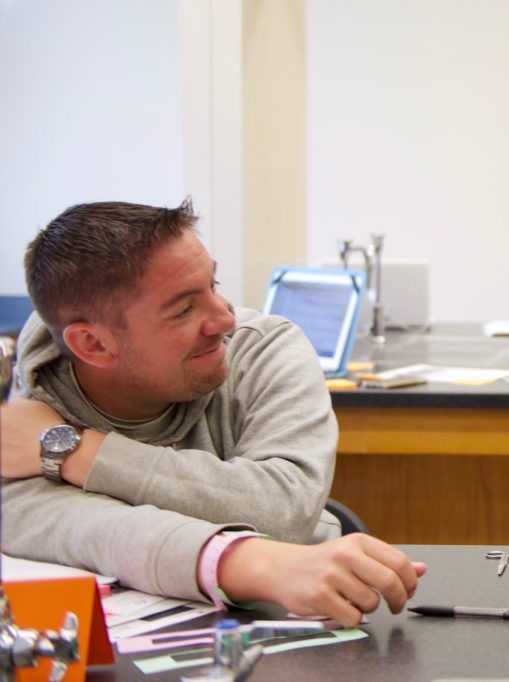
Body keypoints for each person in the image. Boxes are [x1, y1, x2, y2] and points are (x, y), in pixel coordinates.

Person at [1, 201, 424, 626]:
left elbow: (282, 510)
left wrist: (79, 450)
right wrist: (238, 562)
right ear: (92, 344)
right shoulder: (38, 391)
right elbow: (42, 519)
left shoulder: (263, 347)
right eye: (183, 309)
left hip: (286, 620)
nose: (224, 319)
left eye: (214, 284)